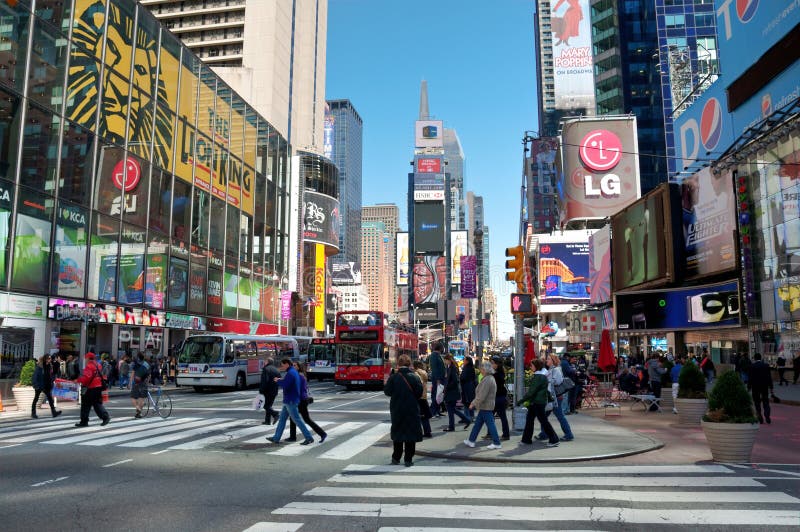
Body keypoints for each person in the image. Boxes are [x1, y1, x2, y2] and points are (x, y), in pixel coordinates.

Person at [384, 354, 423, 466]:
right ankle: (408, 459)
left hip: (397, 409)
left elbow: (387, 392)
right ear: (409, 364)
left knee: (398, 433)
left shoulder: (394, 377)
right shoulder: (415, 377)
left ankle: (396, 458)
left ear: (398, 364)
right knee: (411, 435)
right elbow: (419, 393)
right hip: (411, 409)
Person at [267, 358, 314, 445]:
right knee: (282, 419)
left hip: (290, 400)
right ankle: (276, 438)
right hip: (290, 399)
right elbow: (287, 382)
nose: (282, 367)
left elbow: (286, 385)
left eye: (283, 365)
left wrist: (278, 381)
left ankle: (309, 437)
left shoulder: (291, 373)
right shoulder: (293, 372)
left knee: (297, 420)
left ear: (287, 364)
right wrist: (280, 380)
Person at [519, 359, 559, 447]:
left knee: (541, 421)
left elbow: (531, 392)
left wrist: (520, 401)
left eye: (532, 365)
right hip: (537, 401)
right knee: (533, 420)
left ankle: (554, 439)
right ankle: (526, 439)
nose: (530, 367)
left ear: (536, 366)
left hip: (537, 402)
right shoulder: (541, 375)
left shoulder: (538, 376)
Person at [463, 361, 501, 449]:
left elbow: (482, 395)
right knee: (478, 424)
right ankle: (471, 441)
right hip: (486, 405)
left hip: (485, 406)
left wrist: (473, 403)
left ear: (486, 370)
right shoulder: (488, 378)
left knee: (490, 425)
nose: (481, 370)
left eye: (482, 369)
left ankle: (497, 443)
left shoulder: (488, 379)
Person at [537, 354, 574, 442]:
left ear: (553, 361)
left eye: (549, 359)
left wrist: (547, 381)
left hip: (555, 397)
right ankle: (544, 433)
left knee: (558, 416)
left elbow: (558, 381)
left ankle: (568, 434)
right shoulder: (551, 370)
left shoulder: (556, 370)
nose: (547, 361)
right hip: (552, 397)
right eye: (547, 359)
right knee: (545, 416)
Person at [288, 362, 327, 442]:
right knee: (293, 418)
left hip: (301, 400)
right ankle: (292, 437)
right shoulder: (299, 375)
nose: (293, 366)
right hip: (301, 399)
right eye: (292, 365)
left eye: (295, 365)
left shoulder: (299, 376)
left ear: (298, 367)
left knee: (305, 419)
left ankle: (322, 434)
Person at [73, 352, 111, 427]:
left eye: (85, 358)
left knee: (85, 405)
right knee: (97, 403)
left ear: (87, 358)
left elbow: (86, 378)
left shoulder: (89, 366)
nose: (85, 360)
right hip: (98, 386)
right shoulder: (98, 365)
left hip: (91, 388)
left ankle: (84, 421)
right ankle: (105, 417)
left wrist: (78, 380)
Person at [441, 354, 471, 431]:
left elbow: (455, 381)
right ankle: (466, 420)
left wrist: (446, 387)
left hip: (452, 392)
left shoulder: (452, 367)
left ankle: (452, 426)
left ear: (449, 359)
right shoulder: (449, 367)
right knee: (452, 409)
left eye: (445, 360)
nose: (445, 362)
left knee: (450, 409)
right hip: (451, 391)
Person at [483, 356, 510, 440]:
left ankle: (505, 434)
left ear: (497, 364)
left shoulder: (499, 374)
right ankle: (490, 433)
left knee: (501, 417)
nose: (491, 364)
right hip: (494, 398)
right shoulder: (494, 373)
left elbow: (498, 383)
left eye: (493, 363)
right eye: (491, 363)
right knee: (490, 417)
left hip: (499, 398)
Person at [31, 354, 62, 419]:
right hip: (40, 385)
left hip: (46, 385)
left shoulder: (49, 366)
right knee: (36, 398)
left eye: (50, 358)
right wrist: (36, 385)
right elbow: (35, 376)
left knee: (50, 399)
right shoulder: (40, 366)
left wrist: (53, 381)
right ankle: (33, 413)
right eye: (48, 358)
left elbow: (52, 374)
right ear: (45, 359)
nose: (50, 360)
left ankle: (54, 412)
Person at [748, 353, 773, 424]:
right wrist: (771, 387)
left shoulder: (752, 366)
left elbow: (750, 378)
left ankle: (759, 416)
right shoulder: (766, 366)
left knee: (757, 402)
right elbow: (769, 377)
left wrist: (749, 387)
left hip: (755, 387)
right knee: (765, 401)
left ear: (754, 358)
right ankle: (767, 415)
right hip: (764, 386)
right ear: (761, 358)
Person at [412, 360, 432, 437]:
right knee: (424, 416)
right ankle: (428, 431)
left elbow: (417, 384)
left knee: (417, 415)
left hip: (418, 396)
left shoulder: (416, 373)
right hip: (424, 396)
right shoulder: (424, 373)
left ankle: (418, 432)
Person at [259, 358, 281, 425]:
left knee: (265, 406)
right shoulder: (276, 369)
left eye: (265, 361)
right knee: (269, 405)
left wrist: (261, 390)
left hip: (267, 391)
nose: (264, 363)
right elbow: (279, 379)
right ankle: (267, 421)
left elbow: (265, 381)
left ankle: (275, 414)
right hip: (274, 390)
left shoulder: (266, 369)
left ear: (267, 362)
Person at [428, 341, 446, 417]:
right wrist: (438, 379)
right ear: (440, 348)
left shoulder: (438, 355)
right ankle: (432, 411)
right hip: (437, 379)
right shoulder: (433, 356)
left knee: (439, 395)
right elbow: (435, 369)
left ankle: (437, 411)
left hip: (440, 379)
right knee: (435, 394)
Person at [130, 353, 150, 419]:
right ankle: (139, 413)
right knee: (142, 398)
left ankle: (137, 408)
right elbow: (149, 375)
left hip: (136, 383)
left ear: (138, 357)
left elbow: (132, 374)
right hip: (144, 382)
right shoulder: (147, 364)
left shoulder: (136, 364)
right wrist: (147, 382)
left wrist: (129, 383)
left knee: (133, 397)